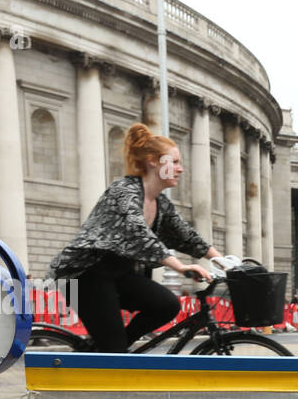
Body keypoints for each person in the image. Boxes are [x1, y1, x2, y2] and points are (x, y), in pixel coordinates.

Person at [47, 123, 223, 352]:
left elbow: (187, 237)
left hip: (119, 274)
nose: (180, 169)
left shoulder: (161, 204)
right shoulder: (124, 190)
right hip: (85, 274)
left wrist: (225, 261)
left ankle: (104, 352)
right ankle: (111, 352)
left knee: (166, 305)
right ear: (153, 161)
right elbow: (137, 231)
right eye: (175, 162)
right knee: (113, 345)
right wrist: (180, 266)